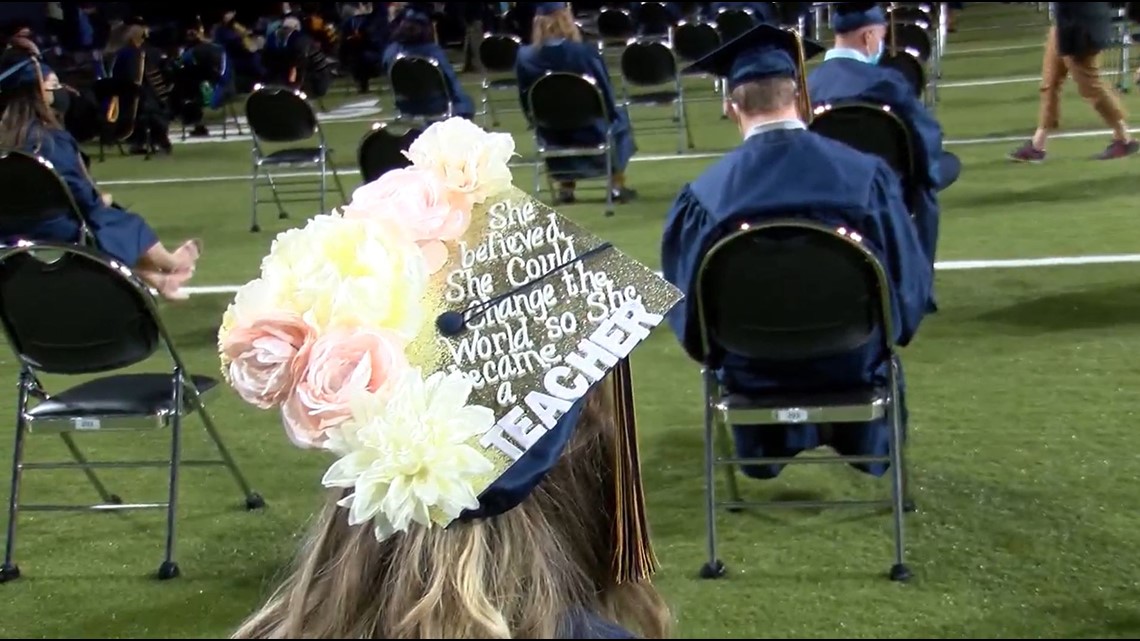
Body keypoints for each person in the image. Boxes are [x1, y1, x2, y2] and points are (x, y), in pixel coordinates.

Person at [661, 23, 932, 481]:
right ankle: (864, 446)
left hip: (752, 371)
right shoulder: (867, 177)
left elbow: (691, 322)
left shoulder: (703, 199)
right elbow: (907, 285)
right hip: (854, 363)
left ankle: (763, 452)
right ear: (800, 99)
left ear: (731, 108)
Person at [0, 53, 199, 300]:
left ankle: (159, 279)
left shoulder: (6, 141)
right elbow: (78, 192)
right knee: (116, 218)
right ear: (36, 93)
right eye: (52, 86)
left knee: (105, 218)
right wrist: (97, 200)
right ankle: (170, 264)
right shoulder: (50, 141)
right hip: (55, 229)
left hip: (6, 230)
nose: (60, 91)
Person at [807, 1, 957, 282]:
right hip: (889, 189)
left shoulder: (807, 88)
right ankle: (916, 279)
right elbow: (926, 140)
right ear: (868, 37)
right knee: (942, 167)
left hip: (826, 189)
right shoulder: (888, 83)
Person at [515, 1, 638, 205]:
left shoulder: (525, 57)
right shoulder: (584, 52)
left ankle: (566, 186)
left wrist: (534, 120)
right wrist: (611, 114)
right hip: (590, 128)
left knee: (561, 127)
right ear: (566, 18)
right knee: (620, 119)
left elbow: (524, 97)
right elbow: (604, 92)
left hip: (550, 131)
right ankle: (616, 185)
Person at [1009, 2, 1138, 162]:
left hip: (1082, 26)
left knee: (1091, 87)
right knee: (1050, 83)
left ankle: (1124, 138)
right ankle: (1037, 144)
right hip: (1065, 23)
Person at [382, 6, 475, 119]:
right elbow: (451, 82)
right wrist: (463, 108)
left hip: (405, 107)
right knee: (466, 101)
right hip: (435, 105)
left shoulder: (391, 52)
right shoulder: (434, 52)